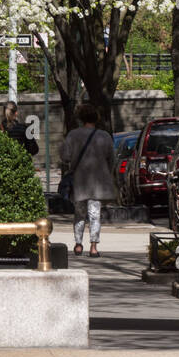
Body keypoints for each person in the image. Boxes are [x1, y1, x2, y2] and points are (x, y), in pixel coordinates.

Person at [60, 103, 118, 257]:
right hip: (97, 182)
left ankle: (78, 244)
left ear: (81, 118)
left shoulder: (73, 135)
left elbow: (65, 157)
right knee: (95, 214)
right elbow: (112, 159)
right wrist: (107, 172)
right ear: (96, 118)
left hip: (79, 181)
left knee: (79, 214)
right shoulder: (104, 136)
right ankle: (93, 247)